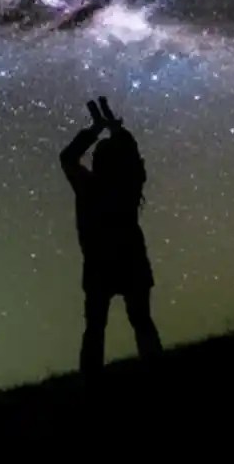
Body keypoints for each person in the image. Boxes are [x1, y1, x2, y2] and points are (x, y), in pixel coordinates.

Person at [59, 97, 163, 378]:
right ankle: (156, 374)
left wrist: (96, 129)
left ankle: (91, 384)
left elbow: (67, 158)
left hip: (99, 264)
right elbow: (131, 153)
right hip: (130, 258)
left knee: (95, 327)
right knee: (141, 320)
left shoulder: (89, 187)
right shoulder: (129, 184)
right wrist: (115, 129)